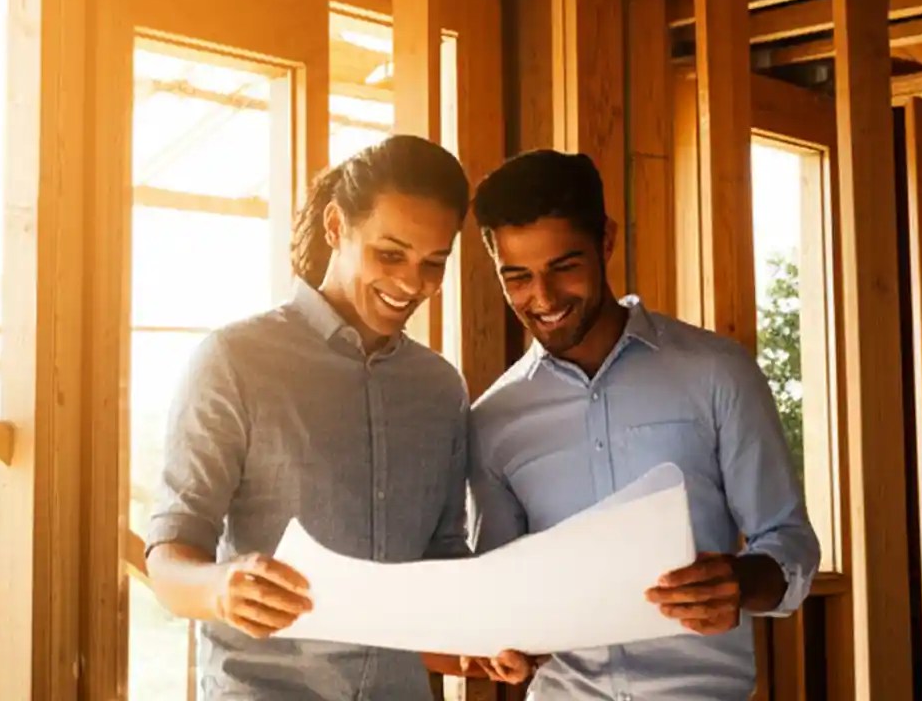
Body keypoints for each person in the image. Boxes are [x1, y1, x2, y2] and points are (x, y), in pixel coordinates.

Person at [145, 135, 505, 699]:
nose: (412, 284)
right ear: (337, 227)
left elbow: (440, 559)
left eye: (433, 264)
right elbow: (168, 559)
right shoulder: (236, 361)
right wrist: (221, 588)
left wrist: (490, 636)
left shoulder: (439, 389)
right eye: (390, 254)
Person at [468, 150, 821, 700]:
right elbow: (502, 592)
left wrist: (738, 582)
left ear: (605, 240)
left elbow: (791, 542)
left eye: (564, 267)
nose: (542, 298)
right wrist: (504, 639)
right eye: (517, 277)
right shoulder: (493, 421)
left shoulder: (717, 374)